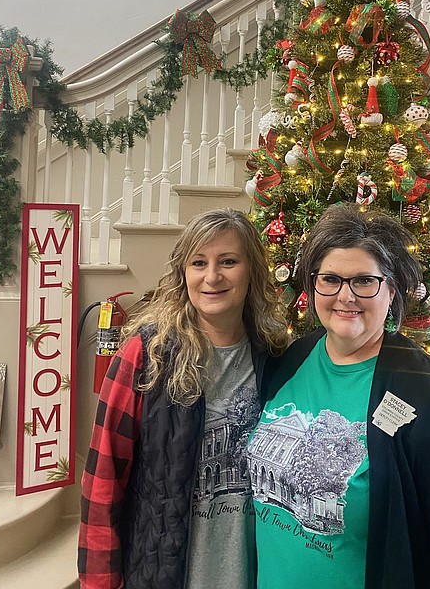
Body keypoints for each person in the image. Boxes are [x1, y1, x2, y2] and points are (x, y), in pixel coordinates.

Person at [247, 203, 430, 589]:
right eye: (329, 279)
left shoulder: (428, 393)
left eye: (364, 281)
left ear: (391, 289)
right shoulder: (291, 359)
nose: (345, 296)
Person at [79, 207, 288, 589]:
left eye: (228, 261)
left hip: (257, 573)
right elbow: (103, 479)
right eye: (199, 262)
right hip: (165, 573)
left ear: (251, 271)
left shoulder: (276, 356)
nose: (212, 277)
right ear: (183, 273)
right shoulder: (146, 355)